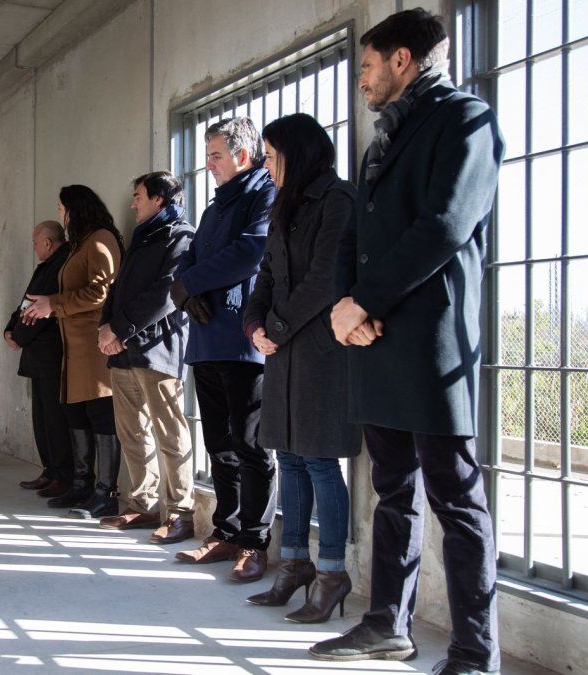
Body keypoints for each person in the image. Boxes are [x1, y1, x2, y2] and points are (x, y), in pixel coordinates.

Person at [309, 10, 504, 675]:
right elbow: (353, 234)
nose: (360, 80)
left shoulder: (464, 120)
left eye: (365, 65)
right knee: (391, 487)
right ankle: (386, 624)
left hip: (429, 340)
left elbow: (445, 224)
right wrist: (345, 305)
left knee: (454, 495)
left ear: (401, 59)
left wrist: (363, 301)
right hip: (375, 334)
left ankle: (475, 654)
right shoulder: (379, 140)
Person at [242, 113, 360, 622]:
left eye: (271, 156)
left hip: (321, 350)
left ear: (299, 152)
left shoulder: (338, 200)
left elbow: (326, 277)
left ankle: (332, 573)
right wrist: (253, 326)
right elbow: (265, 275)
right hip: (282, 348)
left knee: (318, 462)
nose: (267, 167)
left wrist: (279, 328)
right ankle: (293, 566)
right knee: (288, 457)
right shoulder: (283, 206)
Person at [169, 117, 277, 582]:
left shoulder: (263, 194)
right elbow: (192, 254)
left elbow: (251, 251)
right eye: (208, 154)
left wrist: (189, 282)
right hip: (206, 335)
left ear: (242, 155)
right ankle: (226, 530)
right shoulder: (215, 207)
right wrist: (183, 284)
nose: (208, 164)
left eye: (214, 155)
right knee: (219, 443)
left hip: (241, 336)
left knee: (250, 444)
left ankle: (254, 541)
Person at [96, 172, 196, 544]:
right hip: (125, 351)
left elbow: (165, 296)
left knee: (170, 432)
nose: (132, 203)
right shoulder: (142, 237)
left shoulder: (181, 237)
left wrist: (119, 330)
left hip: (159, 350)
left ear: (160, 199)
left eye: (138, 196)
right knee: (132, 430)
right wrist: (107, 327)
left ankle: (181, 512)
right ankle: (142, 504)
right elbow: (119, 289)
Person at [21, 185, 123, 518]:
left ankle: (105, 493)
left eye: (62, 208)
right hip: (74, 348)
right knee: (76, 415)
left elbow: (101, 291)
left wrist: (55, 304)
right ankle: (82, 485)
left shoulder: (100, 239)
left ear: (76, 208)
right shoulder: (82, 244)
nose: (60, 214)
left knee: (100, 416)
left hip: (95, 346)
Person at [4, 221, 73, 495]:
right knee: (42, 418)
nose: (33, 247)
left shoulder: (60, 265)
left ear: (47, 242)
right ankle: (51, 470)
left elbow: (38, 310)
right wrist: (9, 328)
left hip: (50, 353)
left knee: (55, 419)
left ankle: (62, 474)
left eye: (35, 242)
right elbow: (26, 302)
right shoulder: (48, 265)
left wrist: (18, 336)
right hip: (38, 353)